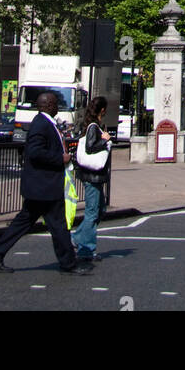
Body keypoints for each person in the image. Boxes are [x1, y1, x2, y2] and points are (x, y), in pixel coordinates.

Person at [0, 91, 90, 275]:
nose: (58, 106)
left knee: (23, 223)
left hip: (41, 187)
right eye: (56, 103)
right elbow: (34, 152)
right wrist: (60, 158)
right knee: (58, 225)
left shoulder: (46, 123)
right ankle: (68, 263)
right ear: (48, 105)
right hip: (44, 186)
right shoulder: (41, 124)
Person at [71, 96, 112, 264]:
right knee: (92, 212)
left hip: (96, 177)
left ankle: (79, 239)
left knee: (100, 210)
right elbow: (90, 147)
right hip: (92, 176)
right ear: (102, 110)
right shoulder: (93, 127)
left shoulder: (93, 126)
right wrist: (105, 141)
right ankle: (85, 248)